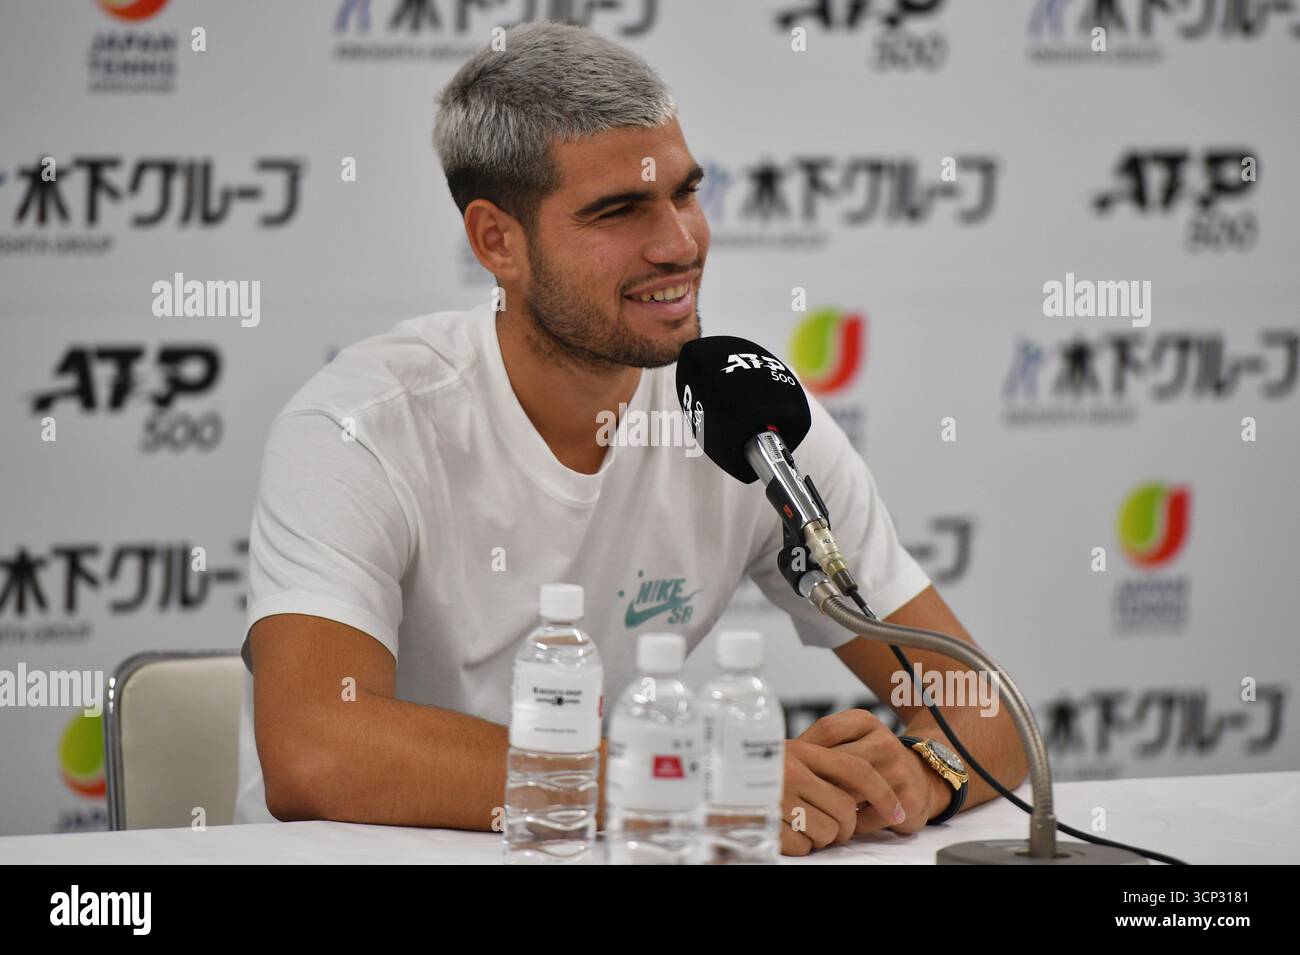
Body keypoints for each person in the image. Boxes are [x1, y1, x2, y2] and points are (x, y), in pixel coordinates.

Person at [234, 21, 1027, 856]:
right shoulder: (362, 423)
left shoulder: (746, 414)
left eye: (685, 193)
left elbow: (980, 702)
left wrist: (923, 771)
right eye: (618, 211)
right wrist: (674, 778)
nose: (679, 243)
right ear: (496, 240)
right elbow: (318, 745)